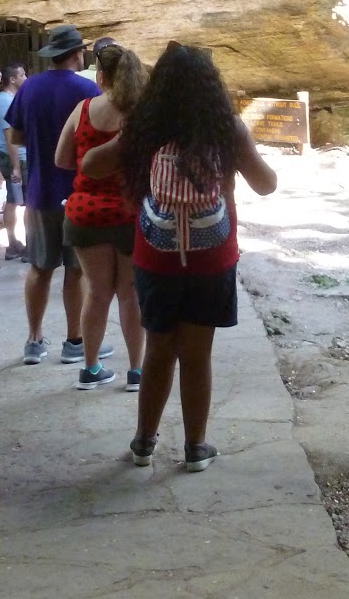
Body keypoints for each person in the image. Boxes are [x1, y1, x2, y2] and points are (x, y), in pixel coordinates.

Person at [81, 42, 277, 472]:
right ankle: (194, 448)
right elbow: (267, 185)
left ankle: (143, 444)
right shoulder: (226, 128)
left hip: (156, 256)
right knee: (196, 354)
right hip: (212, 256)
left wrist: (121, 148)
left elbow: (93, 164)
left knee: (158, 350)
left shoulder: (146, 128)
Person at [4, 24, 104, 366]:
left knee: (40, 267)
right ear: (78, 54)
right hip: (79, 194)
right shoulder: (88, 89)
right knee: (76, 271)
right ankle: (74, 340)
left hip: (39, 192)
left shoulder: (29, 87)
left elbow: (15, 136)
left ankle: (34, 340)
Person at [53, 43, 148, 392]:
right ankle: (136, 372)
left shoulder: (84, 109)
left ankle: (91, 368)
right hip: (129, 210)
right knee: (130, 293)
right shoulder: (141, 115)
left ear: (101, 75)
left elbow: (62, 159)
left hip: (86, 212)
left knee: (96, 292)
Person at [0, 63, 27, 260]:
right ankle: (27, 244)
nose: (26, 78)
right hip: (16, 157)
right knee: (28, 202)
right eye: (22, 75)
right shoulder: (6, 101)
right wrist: (16, 167)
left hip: (12, 156)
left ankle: (13, 244)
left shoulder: (8, 99)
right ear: (12, 79)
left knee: (13, 202)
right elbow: (10, 136)